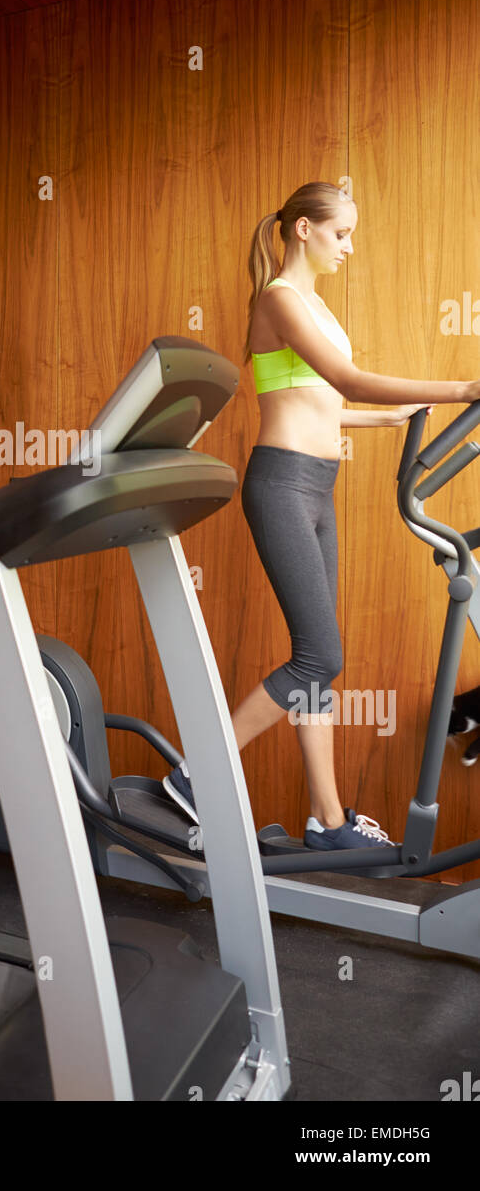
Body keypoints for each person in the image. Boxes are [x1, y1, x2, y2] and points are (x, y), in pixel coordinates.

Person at [163, 180, 480, 856]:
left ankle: (326, 820)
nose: (350, 247)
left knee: (319, 663)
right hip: (280, 486)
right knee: (319, 655)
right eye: (342, 234)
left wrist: (393, 416)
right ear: (302, 229)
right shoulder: (279, 300)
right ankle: (196, 773)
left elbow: (325, 403)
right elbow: (350, 381)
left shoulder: (313, 306)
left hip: (316, 485)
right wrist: (463, 388)